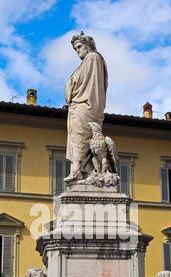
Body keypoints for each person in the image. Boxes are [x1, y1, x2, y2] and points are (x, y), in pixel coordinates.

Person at [64, 32, 108, 183]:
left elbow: (84, 83)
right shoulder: (87, 61)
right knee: (76, 137)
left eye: (79, 47)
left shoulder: (93, 58)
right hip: (78, 105)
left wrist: (73, 93)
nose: (78, 51)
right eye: (75, 49)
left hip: (86, 106)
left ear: (88, 46)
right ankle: (78, 169)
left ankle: (77, 170)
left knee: (80, 136)